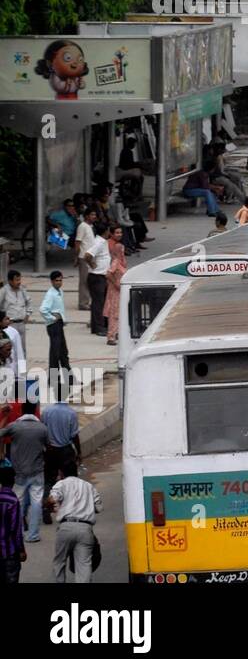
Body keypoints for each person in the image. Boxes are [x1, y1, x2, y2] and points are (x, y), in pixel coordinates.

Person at [46, 461, 101, 584]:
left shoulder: (61, 484)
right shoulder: (88, 486)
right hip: (85, 528)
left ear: (61, 472)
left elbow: (51, 500)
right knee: (84, 564)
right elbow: (99, 507)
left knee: (60, 561)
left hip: (66, 527)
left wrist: (48, 506)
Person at [0, 404, 46, 544]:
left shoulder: (14, 427)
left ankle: (17, 534)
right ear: (35, 411)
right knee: (36, 502)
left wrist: (5, 417)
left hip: (19, 472)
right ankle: (33, 535)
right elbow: (47, 447)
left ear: (21, 411)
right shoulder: (42, 428)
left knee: (18, 502)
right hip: (37, 471)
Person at [41, 398, 78, 527]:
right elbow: (74, 436)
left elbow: (43, 431)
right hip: (66, 451)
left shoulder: (46, 412)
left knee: (49, 481)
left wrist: (46, 446)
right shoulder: (71, 413)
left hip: (50, 451)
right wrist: (79, 452)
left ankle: (46, 508)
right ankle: (71, 511)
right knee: (71, 481)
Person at [40, 273, 69, 402]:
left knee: (63, 352)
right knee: (55, 354)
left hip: (59, 324)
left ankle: (69, 377)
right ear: (52, 281)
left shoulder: (59, 292)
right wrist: (52, 318)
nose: (59, 282)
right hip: (53, 326)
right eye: (57, 281)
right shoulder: (50, 294)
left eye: (60, 280)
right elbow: (43, 309)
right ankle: (53, 379)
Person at [84, 222, 111, 338]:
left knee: (102, 302)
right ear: (105, 231)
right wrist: (92, 265)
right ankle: (99, 327)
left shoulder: (103, 242)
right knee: (98, 303)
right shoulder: (98, 243)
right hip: (96, 276)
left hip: (102, 276)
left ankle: (100, 325)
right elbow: (87, 255)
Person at [0, 466, 25, 583]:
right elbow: (16, 529)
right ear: (13, 480)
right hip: (9, 553)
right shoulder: (13, 501)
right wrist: (21, 550)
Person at [103, 225, 127, 347]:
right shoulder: (116, 261)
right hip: (115, 290)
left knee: (118, 313)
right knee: (114, 314)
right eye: (117, 232)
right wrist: (116, 284)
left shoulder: (121, 261)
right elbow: (108, 274)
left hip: (119, 290)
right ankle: (111, 336)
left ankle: (116, 333)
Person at [0, 271, 30, 356]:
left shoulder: (22, 289)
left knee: (22, 349)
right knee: (11, 349)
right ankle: (11, 369)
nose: (19, 282)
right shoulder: (3, 291)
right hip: (10, 325)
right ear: (10, 281)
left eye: (19, 279)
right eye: (16, 280)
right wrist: (2, 321)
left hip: (21, 324)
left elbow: (29, 302)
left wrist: (28, 314)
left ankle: (22, 369)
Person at [74, 207, 96, 312]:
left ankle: (88, 301)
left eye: (95, 215)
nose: (94, 217)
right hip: (84, 256)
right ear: (87, 216)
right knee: (84, 281)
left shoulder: (91, 226)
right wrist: (76, 257)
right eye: (92, 215)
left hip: (90, 257)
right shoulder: (82, 226)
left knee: (90, 280)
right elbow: (78, 242)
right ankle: (83, 303)